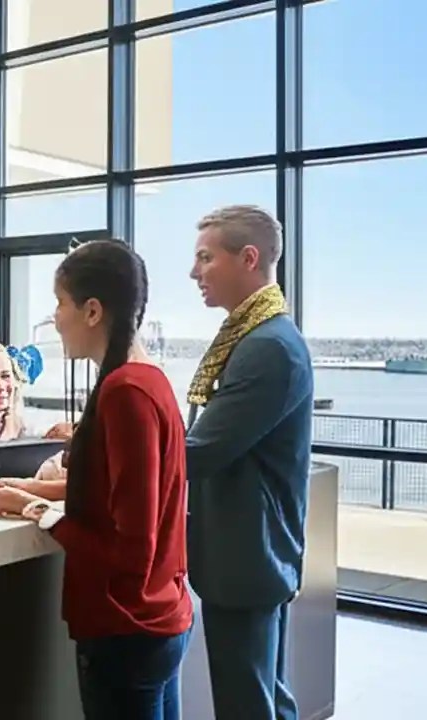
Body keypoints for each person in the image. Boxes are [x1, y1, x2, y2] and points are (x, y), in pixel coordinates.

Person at [0, 240, 193, 719]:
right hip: (160, 617)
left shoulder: (124, 393)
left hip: (126, 627)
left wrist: (41, 514)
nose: (56, 319)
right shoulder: (149, 379)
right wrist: (34, 490)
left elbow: (130, 549)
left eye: (61, 304)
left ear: (93, 310)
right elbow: (124, 496)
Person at [184, 205, 314, 719]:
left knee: (247, 704)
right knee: (264, 697)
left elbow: (200, 451)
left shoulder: (268, 348)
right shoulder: (257, 336)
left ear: (249, 258)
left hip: (247, 556)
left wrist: (106, 447)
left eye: (205, 258)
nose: (194, 272)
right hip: (252, 555)